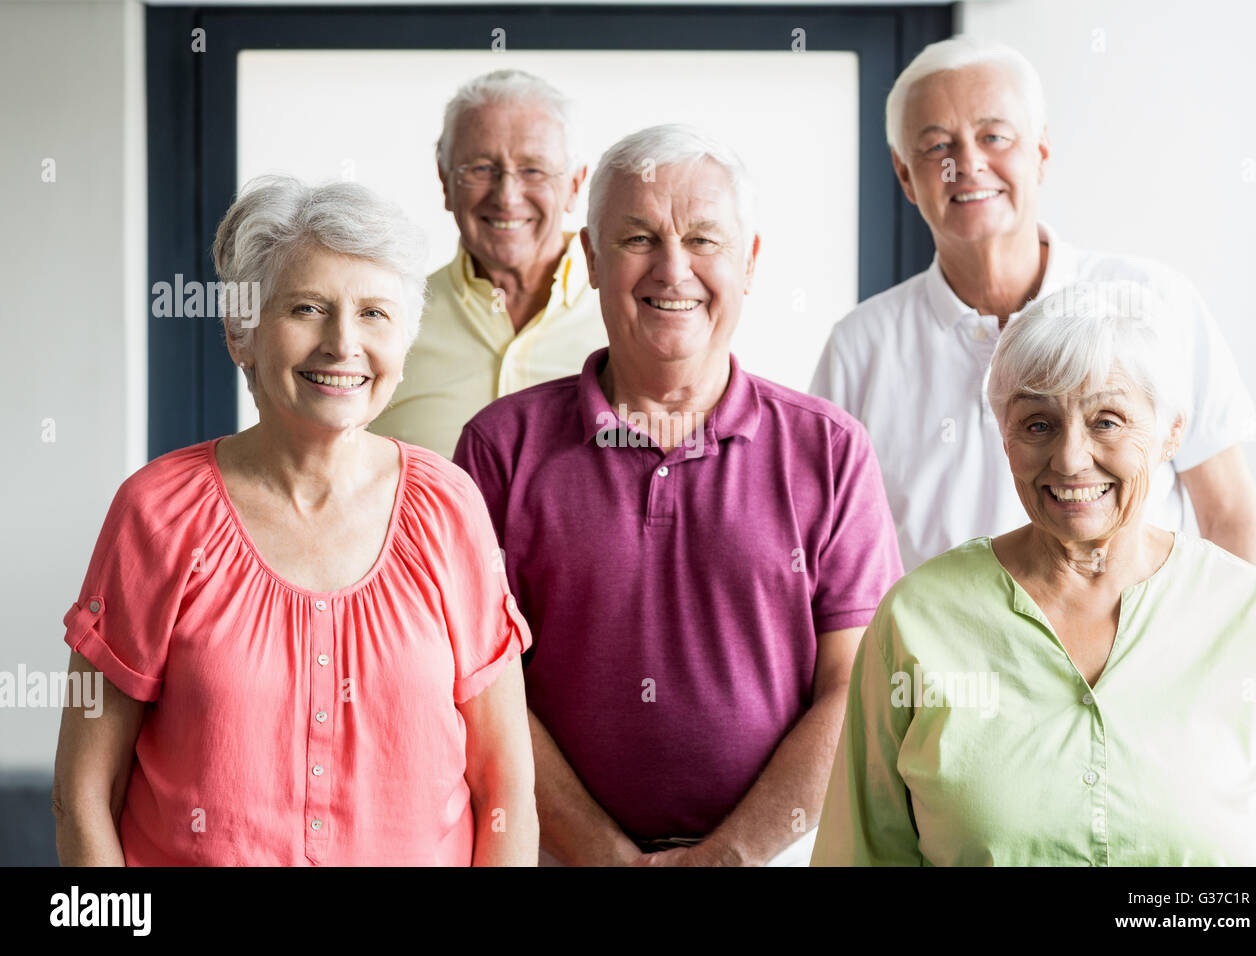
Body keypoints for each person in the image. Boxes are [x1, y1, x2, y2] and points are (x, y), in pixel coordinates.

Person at [52, 176, 538, 866]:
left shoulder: (450, 508)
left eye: (374, 313)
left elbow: (506, 790)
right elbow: (83, 795)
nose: (342, 343)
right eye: (307, 308)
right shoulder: (156, 512)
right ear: (240, 332)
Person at [454, 124, 903, 866]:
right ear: (591, 259)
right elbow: (483, 690)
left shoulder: (831, 451)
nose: (673, 269)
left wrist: (729, 856)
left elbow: (856, 690)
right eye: (638, 239)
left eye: (703, 240)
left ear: (749, 261)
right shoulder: (499, 449)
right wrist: (604, 857)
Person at [811, 284, 1256, 866]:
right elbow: (861, 857)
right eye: (1038, 424)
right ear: (1004, 436)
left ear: (1172, 432)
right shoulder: (914, 620)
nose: (1070, 459)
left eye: (1107, 421)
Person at [811, 35, 1256, 573]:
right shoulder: (859, 346)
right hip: (939, 633)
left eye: (994, 136)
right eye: (937, 147)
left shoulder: (1153, 303)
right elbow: (832, 551)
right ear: (905, 175)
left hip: (1139, 629)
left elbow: (1229, 514)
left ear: (1040, 153)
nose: (969, 163)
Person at [369, 69, 607, 458]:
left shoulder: (629, 320)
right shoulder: (386, 323)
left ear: (574, 185)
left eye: (533, 170)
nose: (506, 196)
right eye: (481, 168)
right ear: (445, 180)